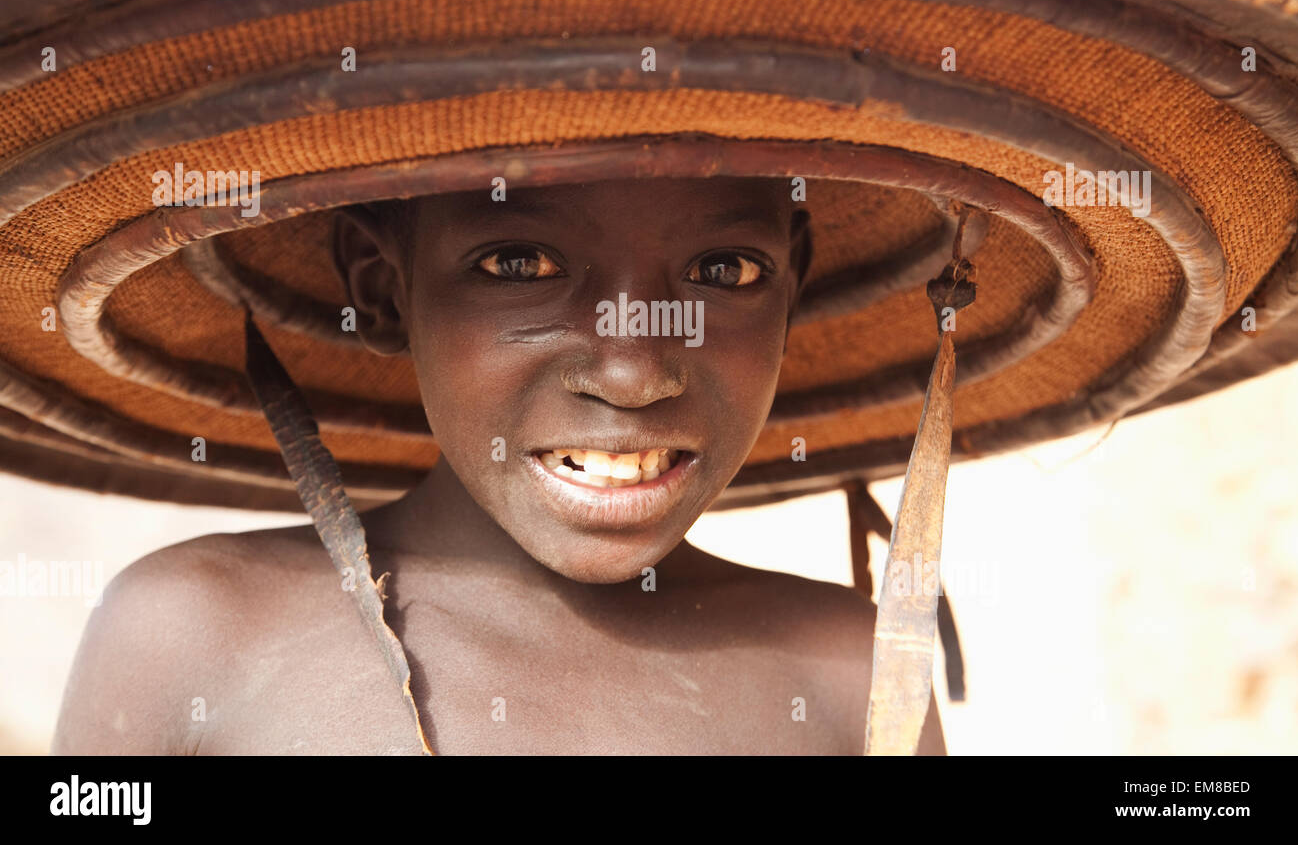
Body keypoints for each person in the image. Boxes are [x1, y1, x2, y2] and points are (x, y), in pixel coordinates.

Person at [51, 176, 946, 754]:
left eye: (724, 269)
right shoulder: (188, 633)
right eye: (520, 261)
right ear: (379, 284)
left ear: (794, 278)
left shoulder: (850, 679)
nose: (633, 370)